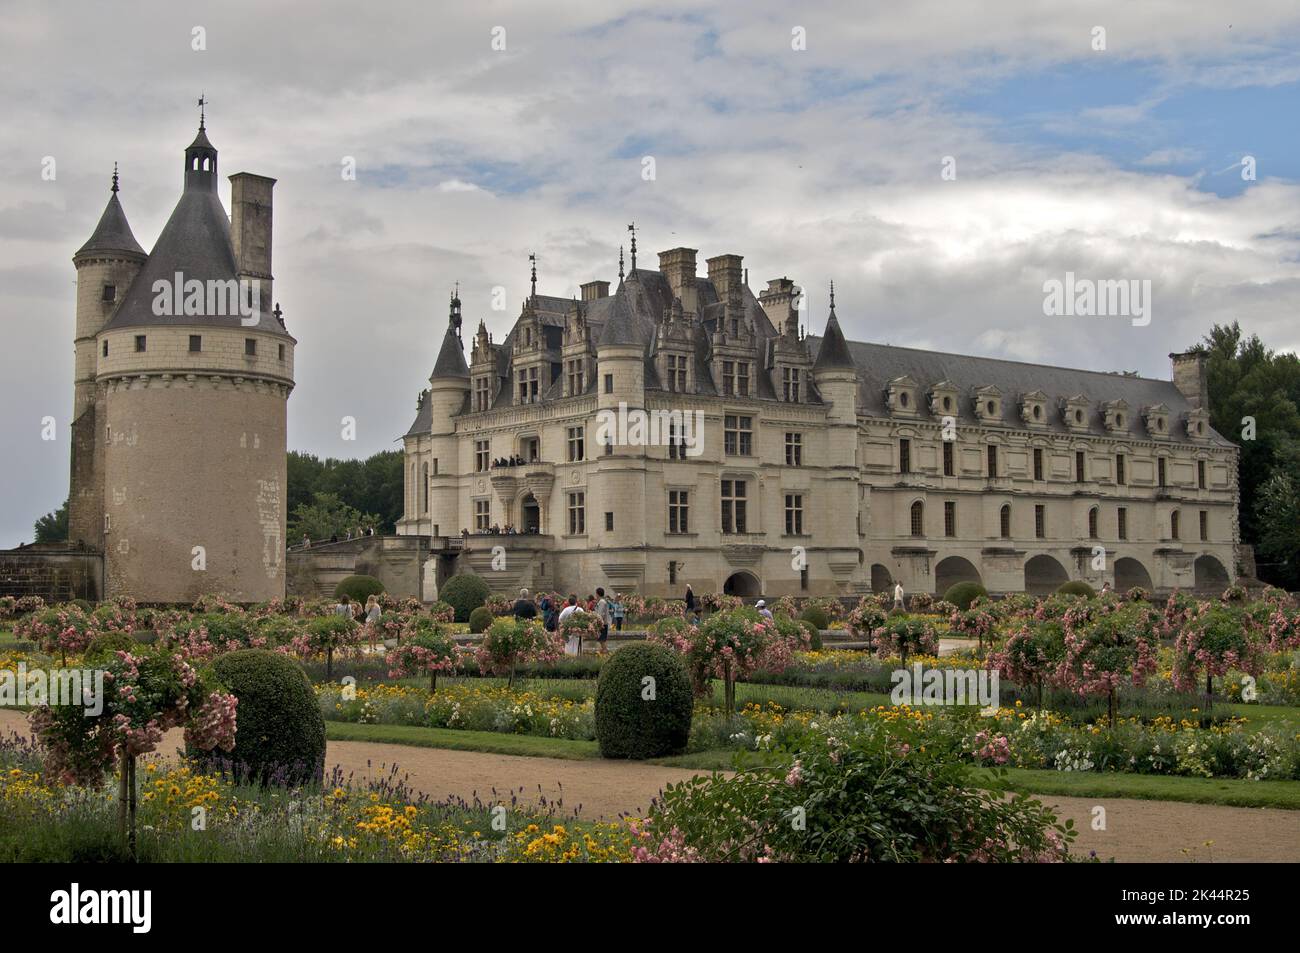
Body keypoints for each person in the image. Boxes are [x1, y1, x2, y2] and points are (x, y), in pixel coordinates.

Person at [594, 587, 612, 655]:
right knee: (601, 640)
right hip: (603, 623)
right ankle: (603, 652)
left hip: (602, 624)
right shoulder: (602, 601)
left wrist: (595, 620)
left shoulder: (602, 602)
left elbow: (600, 614)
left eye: (596, 593)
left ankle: (606, 653)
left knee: (602, 640)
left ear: (597, 594)